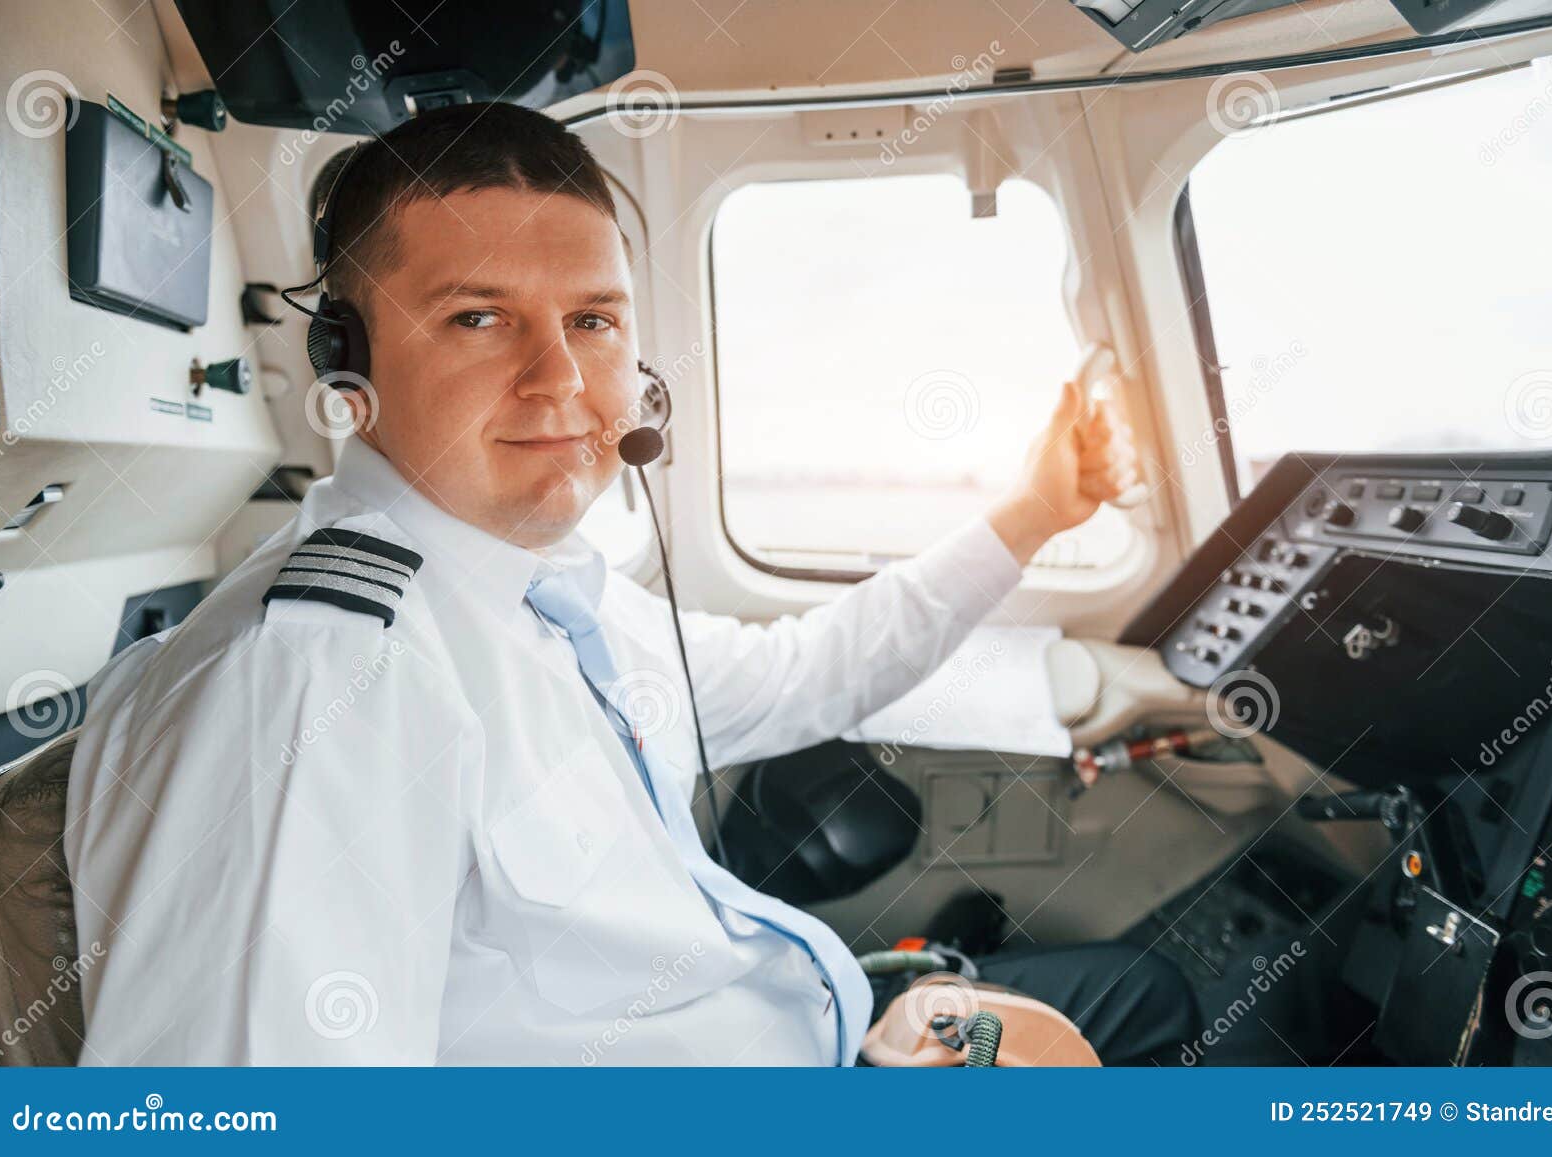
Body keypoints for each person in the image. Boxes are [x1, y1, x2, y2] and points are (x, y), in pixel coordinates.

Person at [65, 101, 1196, 1066]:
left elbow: (809, 673)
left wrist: (1037, 512)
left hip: (820, 1042)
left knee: (1140, 994)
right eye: (478, 318)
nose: (560, 379)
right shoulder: (320, 680)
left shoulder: (550, 591)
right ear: (345, 363)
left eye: (593, 320)